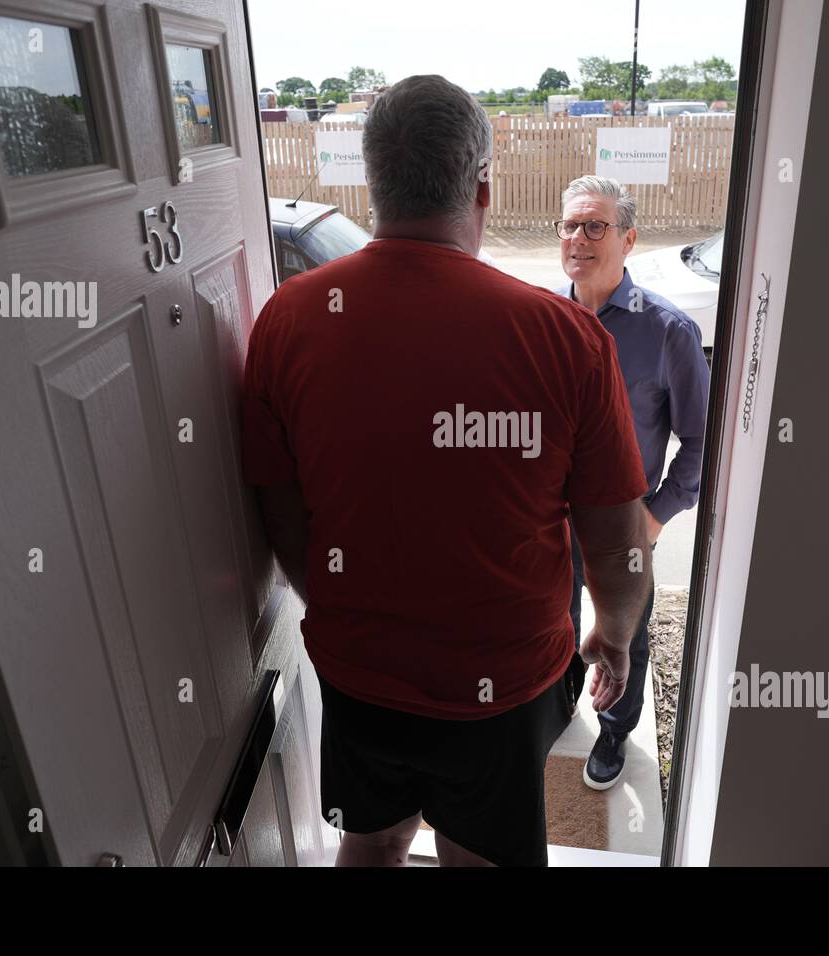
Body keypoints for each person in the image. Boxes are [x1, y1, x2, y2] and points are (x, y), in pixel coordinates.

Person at [240, 76, 653, 867]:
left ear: (373, 183)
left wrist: (335, 600)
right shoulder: (564, 339)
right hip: (500, 687)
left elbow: (280, 507)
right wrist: (616, 632)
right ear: (484, 188)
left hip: (359, 672)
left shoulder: (289, 320)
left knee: (372, 841)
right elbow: (614, 540)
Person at [554, 175, 711, 791]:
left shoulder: (668, 332)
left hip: (625, 520)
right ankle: (559, 704)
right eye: (569, 225)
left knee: (625, 632)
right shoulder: (543, 320)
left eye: (596, 226)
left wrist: (654, 516)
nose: (579, 239)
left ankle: (615, 732)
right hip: (547, 517)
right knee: (555, 620)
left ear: (629, 238)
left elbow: (700, 442)